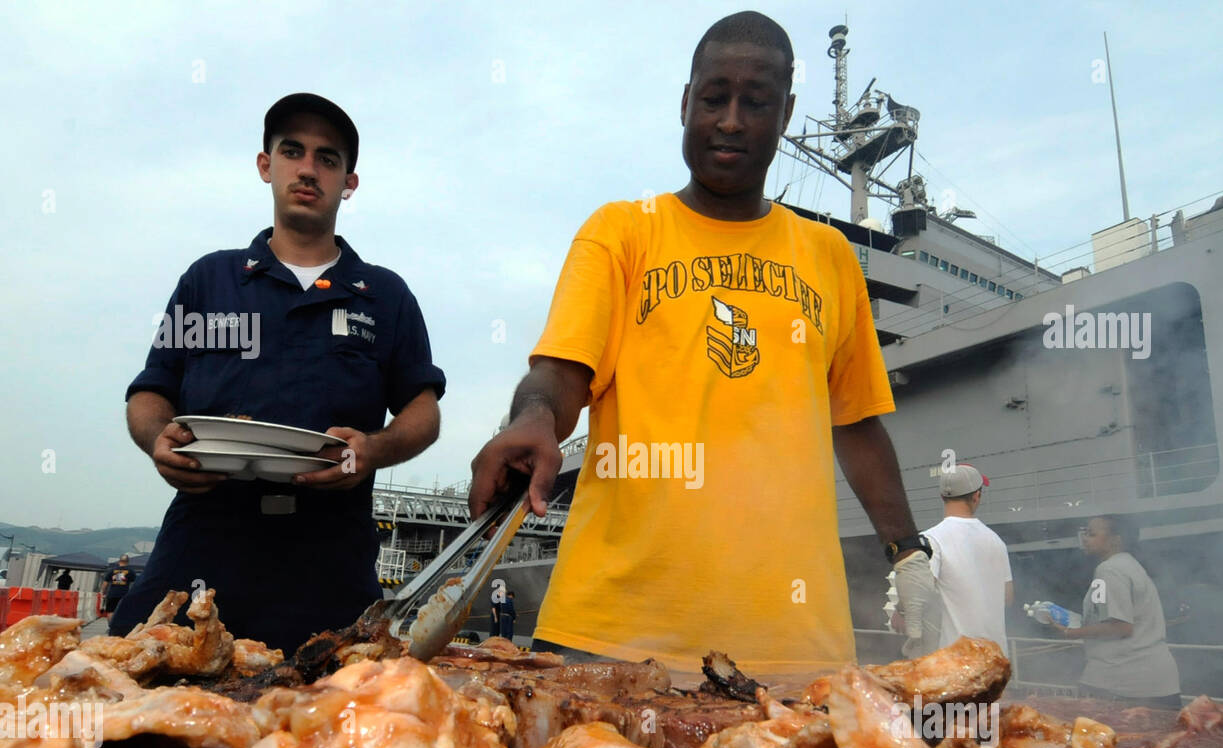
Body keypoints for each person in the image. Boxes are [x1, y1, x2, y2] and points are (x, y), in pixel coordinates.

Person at [468, 12, 935, 674]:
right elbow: (561, 372)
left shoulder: (830, 256)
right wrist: (535, 417)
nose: (733, 120)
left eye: (758, 102)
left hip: (796, 652)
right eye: (715, 97)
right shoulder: (622, 232)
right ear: (686, 101)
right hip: (609, 638)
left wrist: (908, 552)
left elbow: (857, 424)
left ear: (787, 113)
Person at [111, 94, 445, 652]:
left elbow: (424, 410)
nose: (309, 168)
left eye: (328, 158)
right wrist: (157, 441)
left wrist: (372, 450)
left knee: (330, 716)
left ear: (349, 182)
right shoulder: (209, 281)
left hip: (330, 561)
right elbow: (151, 390)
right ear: (266, 165)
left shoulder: (384, 295)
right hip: (202, 547)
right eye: (293, 152)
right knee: (134, 700)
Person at [1055, 515, 1181, 709]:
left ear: (1116, 540)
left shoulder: (1109, 570)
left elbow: (1121, 626)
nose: (1085, 539)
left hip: (1124, 683)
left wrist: (1070, 633)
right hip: (1154, 682)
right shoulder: (1130, 565)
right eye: (1085, 533)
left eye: (1092, 534)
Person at [917, 465, 1014, 656]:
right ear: (977, 496)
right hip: (996, 659)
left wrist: (900, 611)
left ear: (942, 497)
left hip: (956, 661)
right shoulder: (996, 541)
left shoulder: (930, 539)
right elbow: (1008, 597)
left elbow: (921, 596)